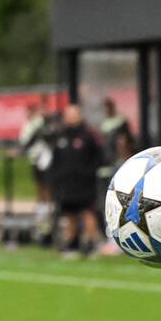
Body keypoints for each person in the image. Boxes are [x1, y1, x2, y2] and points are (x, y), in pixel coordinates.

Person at [49, 103, 102, 257]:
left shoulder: (88, 135)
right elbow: (55, 160)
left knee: (87, 212)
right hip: (66, 184)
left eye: (74, 114)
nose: (71, 117)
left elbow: (98, 157)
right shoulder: (61, 135)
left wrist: (89, 173)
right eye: (68, 115)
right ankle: (73, 244)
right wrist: (57, 178)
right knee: (70, 214)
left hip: (85, 183)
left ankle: (90, 244)